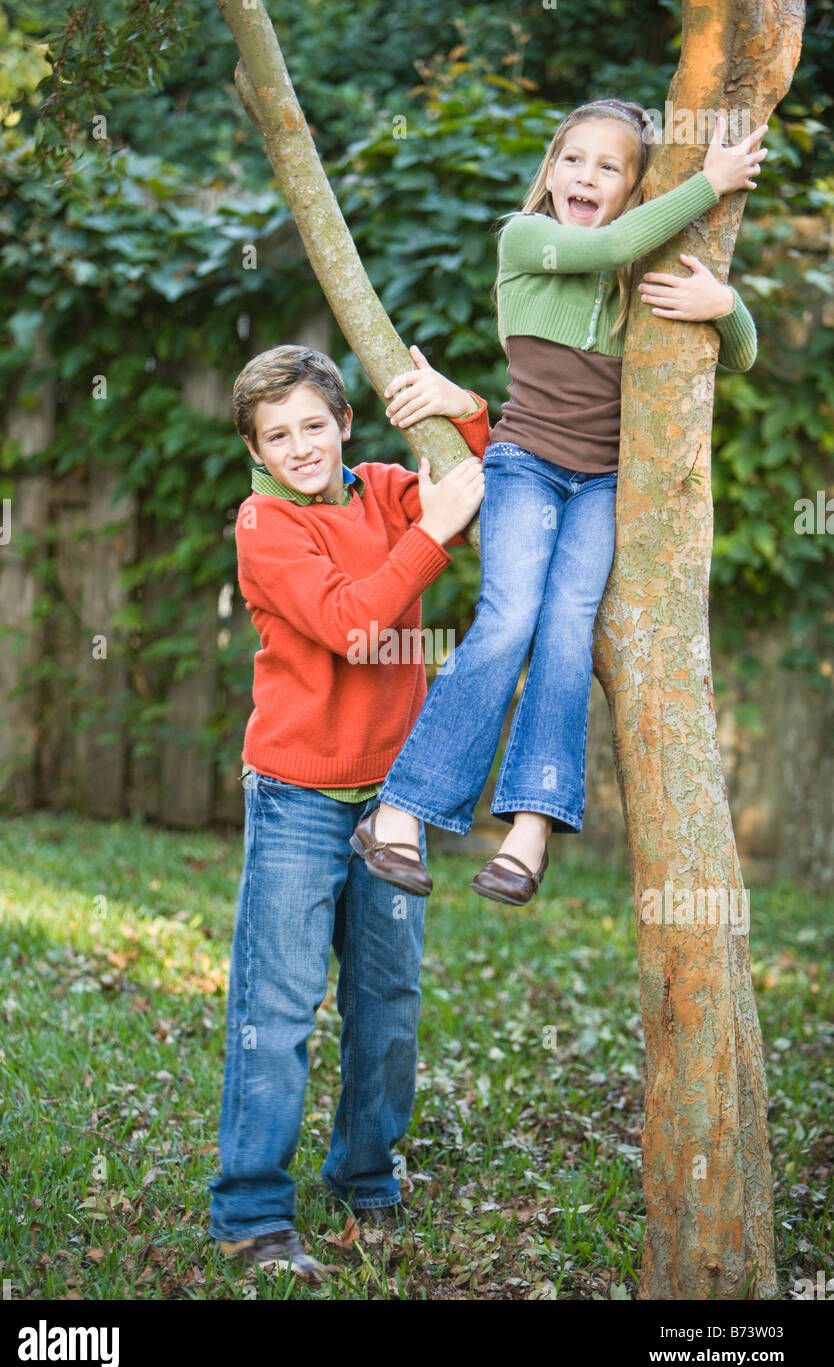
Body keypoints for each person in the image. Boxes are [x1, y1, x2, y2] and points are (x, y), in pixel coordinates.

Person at [350, 101, 764, 907]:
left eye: (610, 168)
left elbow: (740, 356)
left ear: (637, 186)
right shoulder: (526, 237)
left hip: (606, 485)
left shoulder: (642, 275)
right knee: (508, 618)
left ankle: (530, 832)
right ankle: (400, 812)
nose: (586, 176)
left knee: (568, 628)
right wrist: (712, 183)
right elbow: (605, 242)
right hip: (527, 465)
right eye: (573, 160)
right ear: (550, 171)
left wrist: (728, 308)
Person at [207, 343, 486, 1282]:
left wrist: (461, 400)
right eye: (276, 435)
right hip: (297, 796)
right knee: (278, 1006)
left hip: (393, 802)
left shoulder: (384, 491)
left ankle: (366, 1175)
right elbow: (358, 625)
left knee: (389, 1000)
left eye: (313, 426)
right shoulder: (266, 525)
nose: (299, 447)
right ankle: (250, 1213)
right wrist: (433, 535)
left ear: (345, 424)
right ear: (256, 447)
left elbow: (474, 464)